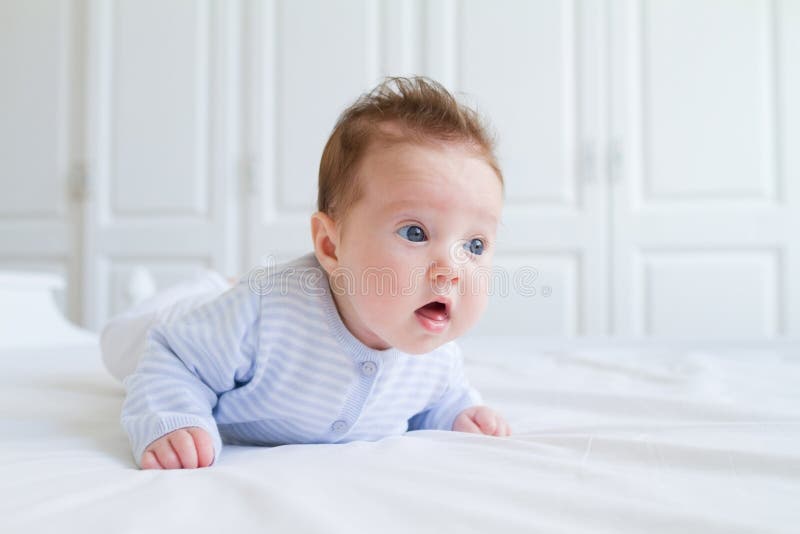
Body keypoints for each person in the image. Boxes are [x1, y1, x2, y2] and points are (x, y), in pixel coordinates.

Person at [103, 76, 511, 470]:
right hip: (176, 327)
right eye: (415, 233)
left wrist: (459, 414)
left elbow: (437, 399)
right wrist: (176, 419)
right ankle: (211, 286)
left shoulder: (435, 353)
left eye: (474, 245)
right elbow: (173, 358)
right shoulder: (266, 316)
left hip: (236, 310)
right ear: (331, 246)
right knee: (120, 343)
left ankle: (221, 286)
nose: (451, 271)